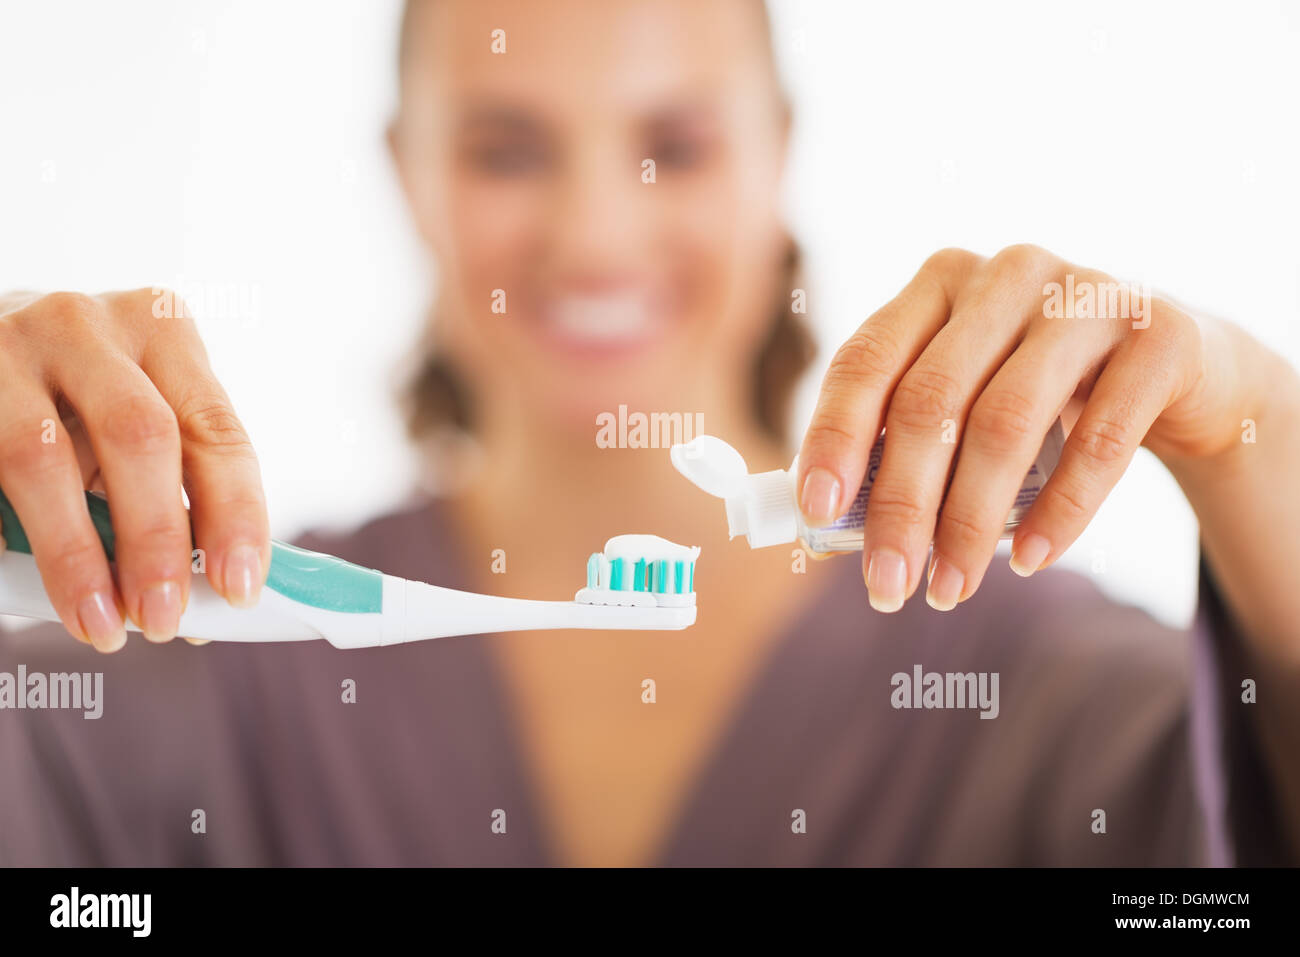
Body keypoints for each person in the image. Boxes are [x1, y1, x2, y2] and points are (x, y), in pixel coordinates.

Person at [0, 0, 1296, 867]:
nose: (597, 236)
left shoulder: (1049, 690)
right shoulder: (171, 662)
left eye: (673, 146)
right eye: (508, 151)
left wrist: (1252, 430)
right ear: (407, 172)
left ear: (778, 154)